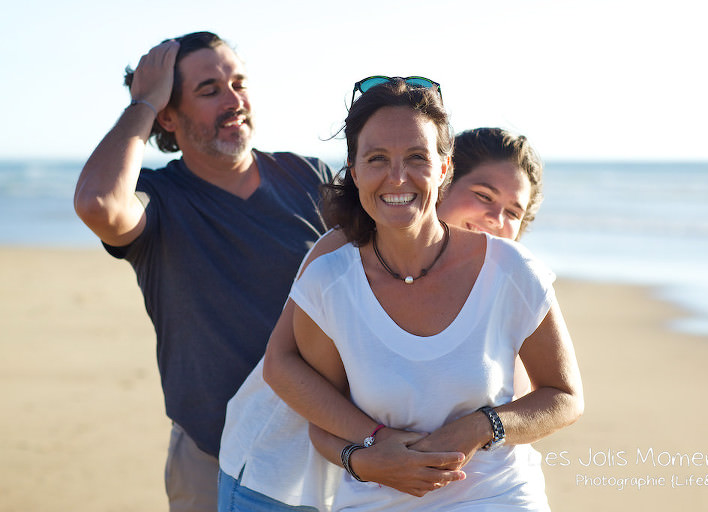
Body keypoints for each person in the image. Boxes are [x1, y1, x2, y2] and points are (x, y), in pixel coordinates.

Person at [220, 77, 582, 511]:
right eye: (484, 196)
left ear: (442, 168)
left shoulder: (509, 272)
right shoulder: (336, 265)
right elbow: (286, 372)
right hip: (279, 472)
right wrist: (374, 449)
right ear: (354, 172)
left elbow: (553, 398)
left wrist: (478, 427)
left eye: (512, 212)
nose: (495, 219)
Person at [73, 31, 332, 512]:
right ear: (169, 117)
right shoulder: (158, 201)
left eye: (238, 83)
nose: (234, 101)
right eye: (210, 91)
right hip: (212, 459)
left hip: (328, 450)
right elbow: (99, 202)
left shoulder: (310, 178)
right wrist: (144, 102)